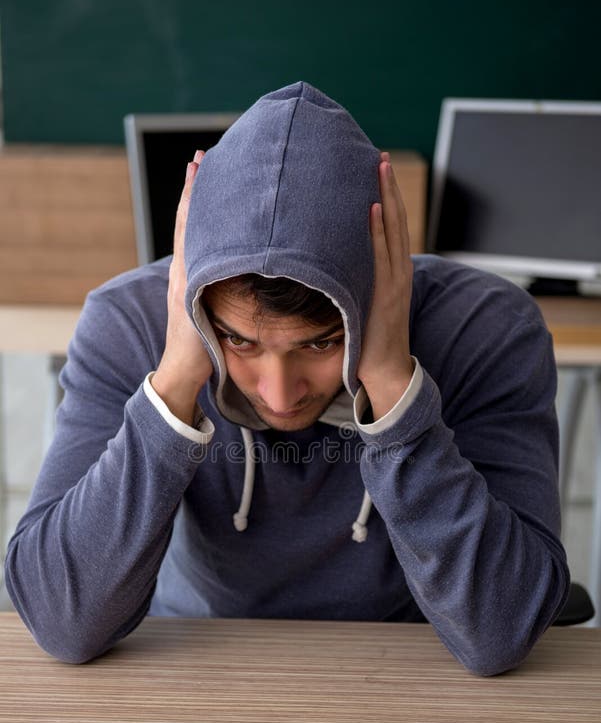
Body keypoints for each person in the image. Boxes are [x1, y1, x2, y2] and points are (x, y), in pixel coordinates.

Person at [5, 81, 569, 674]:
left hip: (412, 669)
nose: (279, 393)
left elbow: (501, 634)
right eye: (239, 341)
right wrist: (174, 381)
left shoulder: (488, 329)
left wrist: (392, 387)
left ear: (378, 295)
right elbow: (62, 622)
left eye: (321, 342)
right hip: (192, 665)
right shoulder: (128, 322)